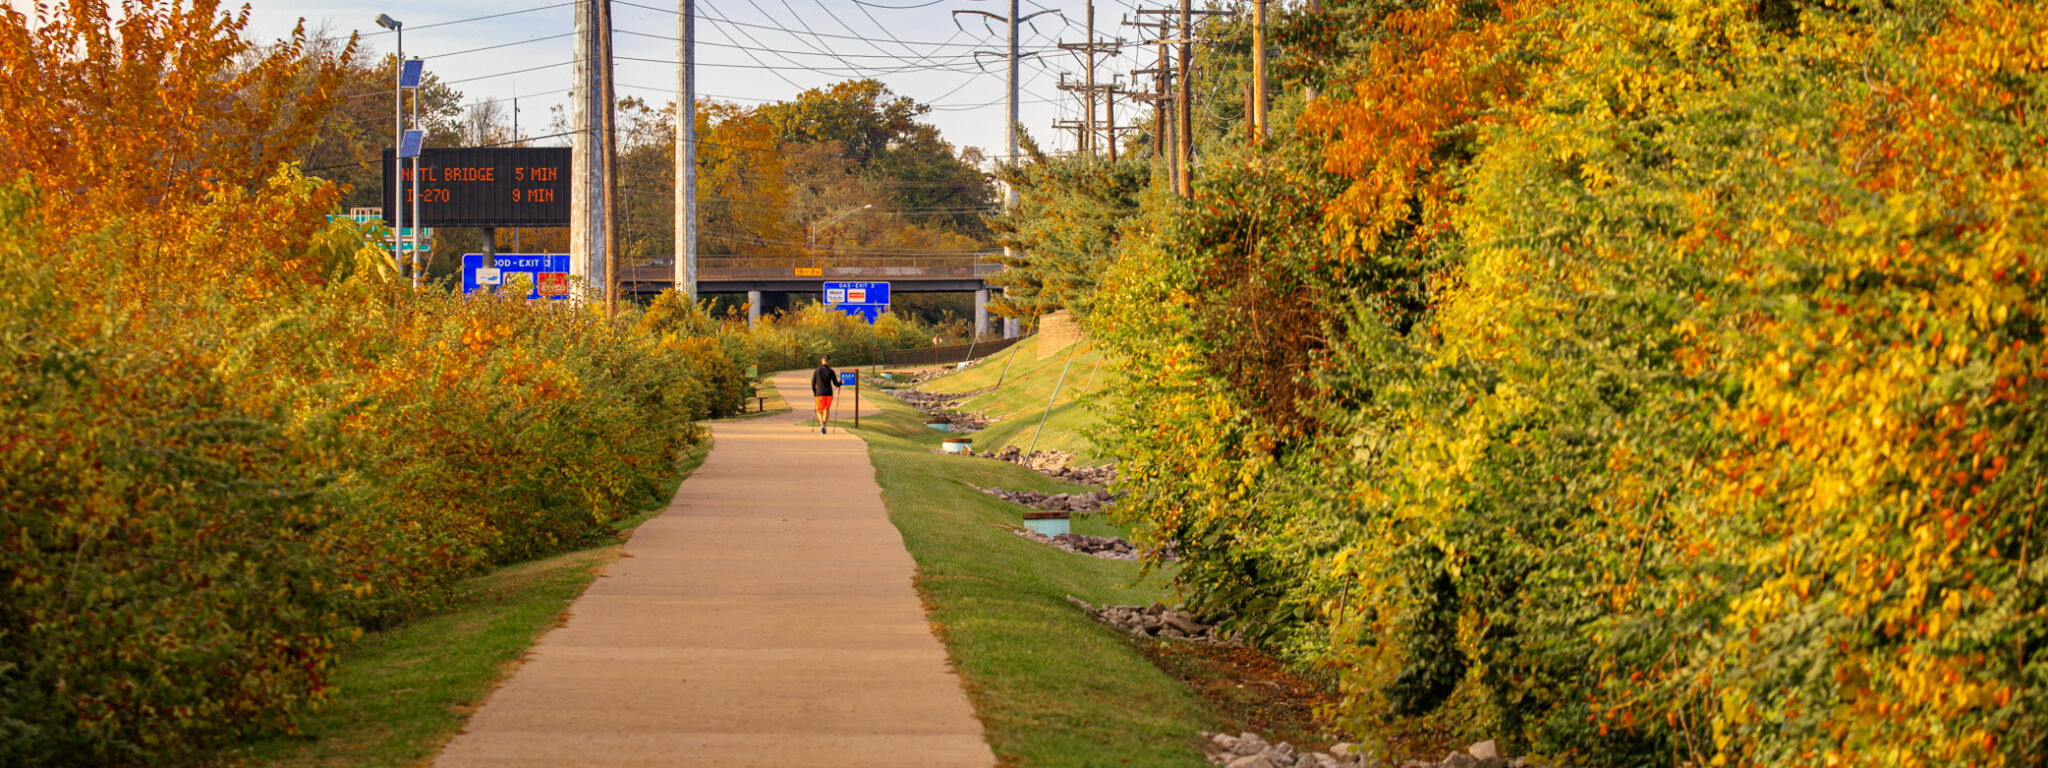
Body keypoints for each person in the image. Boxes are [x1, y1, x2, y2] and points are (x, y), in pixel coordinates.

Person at [810, 355, 840, 435]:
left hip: (819, 393)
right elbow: (836, 384)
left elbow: (813, 384)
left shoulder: (817, 371)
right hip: (829, 393)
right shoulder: (831, 371)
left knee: (819, 410)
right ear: (829, 362)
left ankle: (821, 424)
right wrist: (841, 383)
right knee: (826, 409)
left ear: (821, 361)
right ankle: (824, 423)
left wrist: (815, 393)